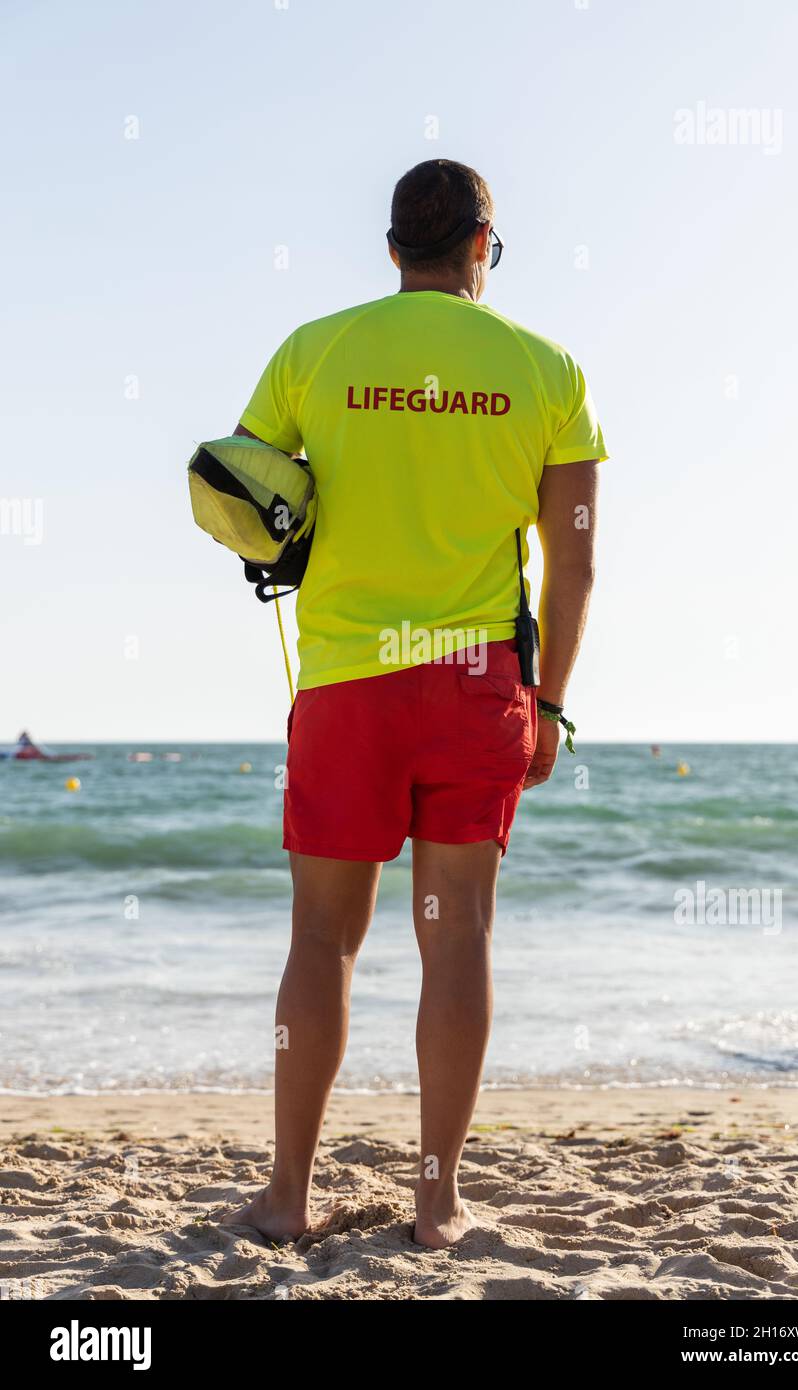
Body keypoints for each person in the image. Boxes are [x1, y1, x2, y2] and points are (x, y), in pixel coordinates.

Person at [228, 159, 606, 1249]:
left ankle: (287, 1197)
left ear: (390, 248)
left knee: (319, 940)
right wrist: (549, 701)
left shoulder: (315, 349)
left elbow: (245, 495)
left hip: (347, 680)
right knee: (458, 939)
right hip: (470, 681)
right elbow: (573, 565)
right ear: (483, 247)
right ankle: (435, 1202)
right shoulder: (547, 369)